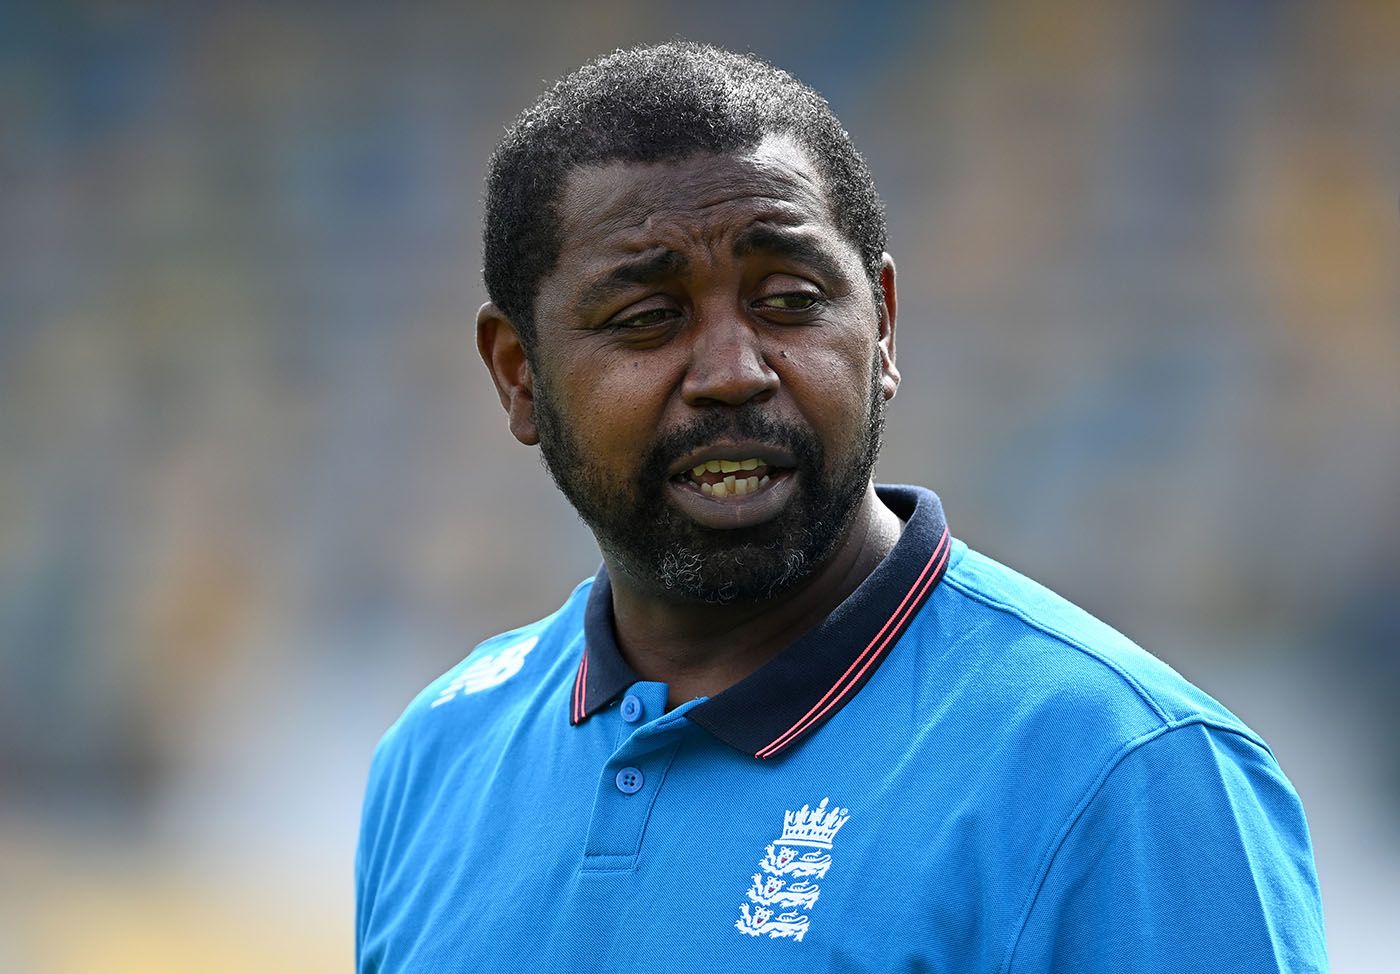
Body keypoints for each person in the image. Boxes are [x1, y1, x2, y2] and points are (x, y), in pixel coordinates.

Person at [355, 42, 1329, 972]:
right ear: (519, 374)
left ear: (883, 325)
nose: (733, 372)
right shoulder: (436, 753)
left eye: (788, 298)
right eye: (646, 317)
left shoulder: (1121, 770)